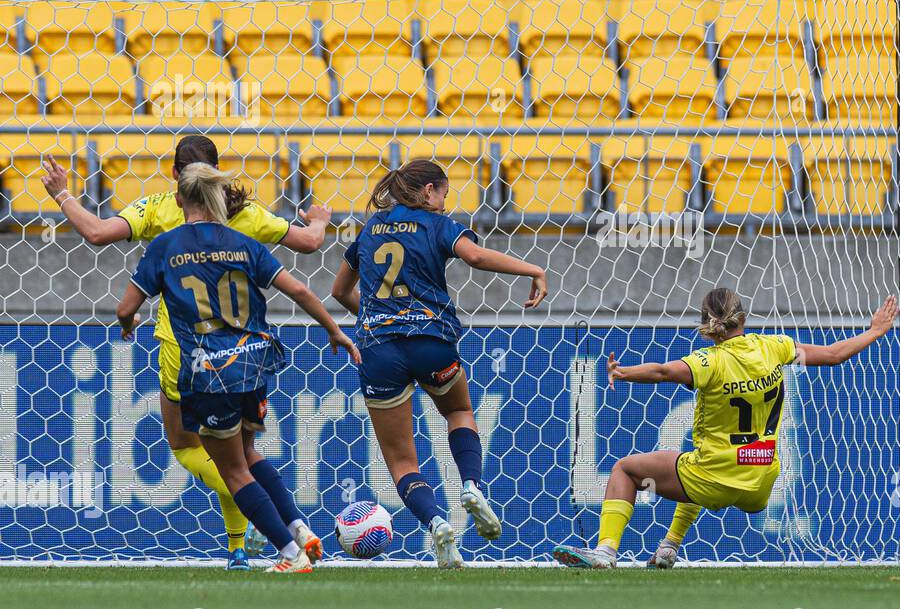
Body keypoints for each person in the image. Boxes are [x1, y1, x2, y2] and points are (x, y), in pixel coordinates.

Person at [42, 135, 332, 569]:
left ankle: (259, 525)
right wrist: (321, 220)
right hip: (247, 351)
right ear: (216, 175)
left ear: (176, 177)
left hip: (187, 351)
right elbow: (310, 244)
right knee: (242, 450)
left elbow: (97, 232)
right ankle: (246, 543)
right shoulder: (246, 215)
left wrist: (62, 193)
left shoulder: (161, 208)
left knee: (193, 448)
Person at [115, 163, 360, 573]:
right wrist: (334, 330)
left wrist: (128, 325)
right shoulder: (242, 243)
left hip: (207, 369)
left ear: (178, 201)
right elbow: (299, 289)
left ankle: (289, 553)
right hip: (253, 364)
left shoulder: (165, 246)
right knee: (247, 453)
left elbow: (125, 308)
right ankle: (298, 528)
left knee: (232, 469)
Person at [552, 288, 899, 569]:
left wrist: (624, 372)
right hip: (761, 482)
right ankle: (669, 547)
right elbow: (834, 354)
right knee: (688, 461)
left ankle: (606, 552)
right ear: (743, 319)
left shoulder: (709, 362)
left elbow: (662, 372)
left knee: (625, 470)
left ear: (706, 325)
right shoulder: (773, 347)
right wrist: (875, 330)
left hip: (715, 479)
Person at [331, 159, 547, 568]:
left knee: (401, 461)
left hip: (379, 349)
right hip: (432, 343)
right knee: (460, 410)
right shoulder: (437, 225)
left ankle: (435, 525)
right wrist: (533, 269)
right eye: (445, 193)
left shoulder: (370, 230)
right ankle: (470, 485)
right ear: (428, 191)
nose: (446, 203)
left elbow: (340, 290)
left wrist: (379, 313)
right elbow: (477, 258)